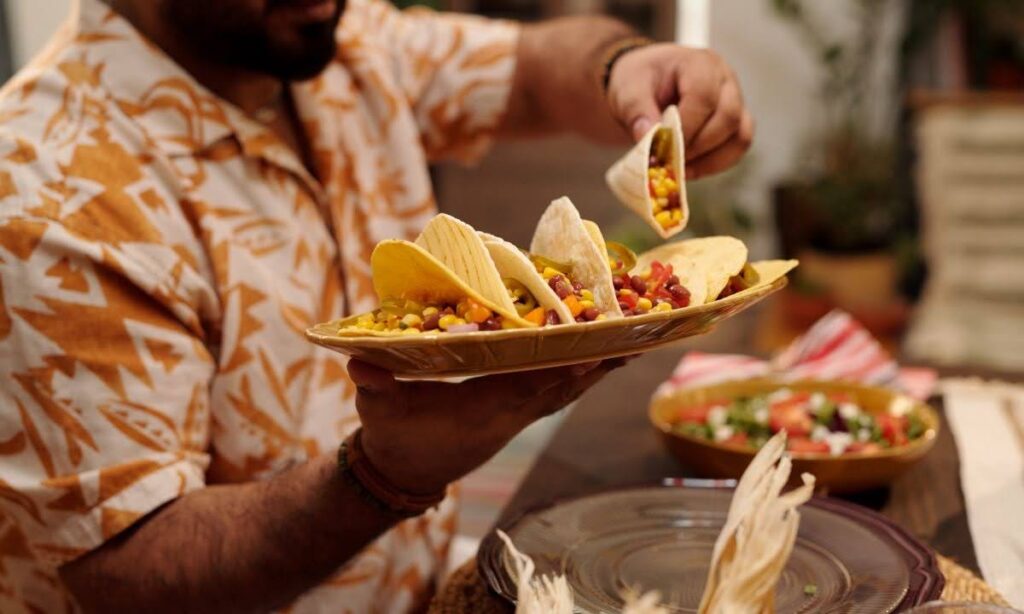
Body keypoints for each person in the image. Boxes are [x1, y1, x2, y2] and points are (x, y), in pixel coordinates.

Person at [0, 0, 752, 611]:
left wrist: (624, 68)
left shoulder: (332, 37)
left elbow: (527, 73)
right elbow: (131, 573)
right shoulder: (47, 193)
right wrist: (382, 478)